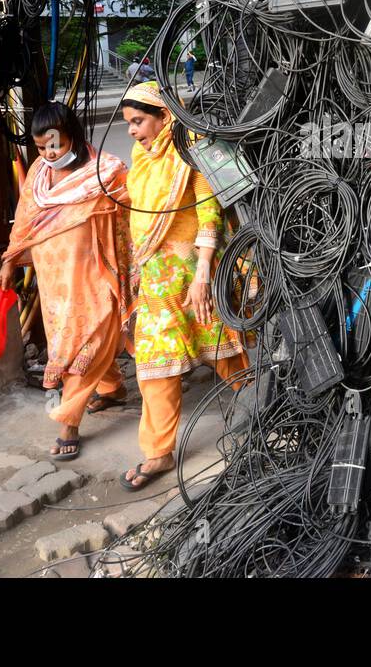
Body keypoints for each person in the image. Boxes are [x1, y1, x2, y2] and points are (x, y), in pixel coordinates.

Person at [119, 81, 247, 490]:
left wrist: (205, 275)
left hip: (196, 273)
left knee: (227, 353)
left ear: (165, 116)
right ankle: (158, 452)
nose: (132, 131)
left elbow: (210, 209)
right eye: (128, 123)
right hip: (157, 281)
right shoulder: (142, 156)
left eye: (139, 121)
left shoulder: (191, 147)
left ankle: (264, 415)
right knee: (154, 366)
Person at [0, 101, 139, 461]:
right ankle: (113, 389)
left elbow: (131, 222)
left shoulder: (107, 173)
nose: (48, 153)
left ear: (72, 136)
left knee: (85, 348)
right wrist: (9, 264)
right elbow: (24, 222)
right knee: (73, 345)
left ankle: (68, 424)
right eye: (41, 147)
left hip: (96, 279)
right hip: (56, 286)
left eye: (54, 145)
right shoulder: (38, 177)